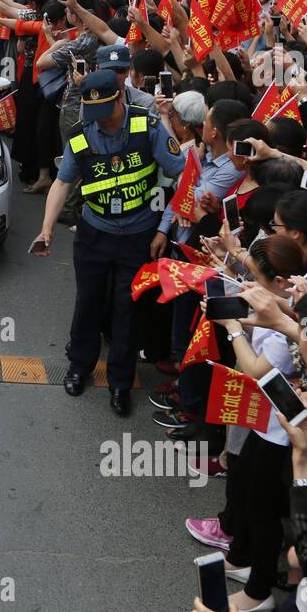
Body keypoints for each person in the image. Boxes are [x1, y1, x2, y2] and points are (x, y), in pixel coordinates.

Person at [31, 70, 186, 415]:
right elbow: (62, 183)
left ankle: (120, 382)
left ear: (120, 97)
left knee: (125, 311)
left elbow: (182, 173)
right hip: (94, 234)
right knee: (88, 303)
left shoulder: (148, 127)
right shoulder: (81, 135)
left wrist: (163, 228)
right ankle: (79, 367)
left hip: (139, 236)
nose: (100, 121)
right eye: (93, 112)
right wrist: (47, 228)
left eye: (106, 110)